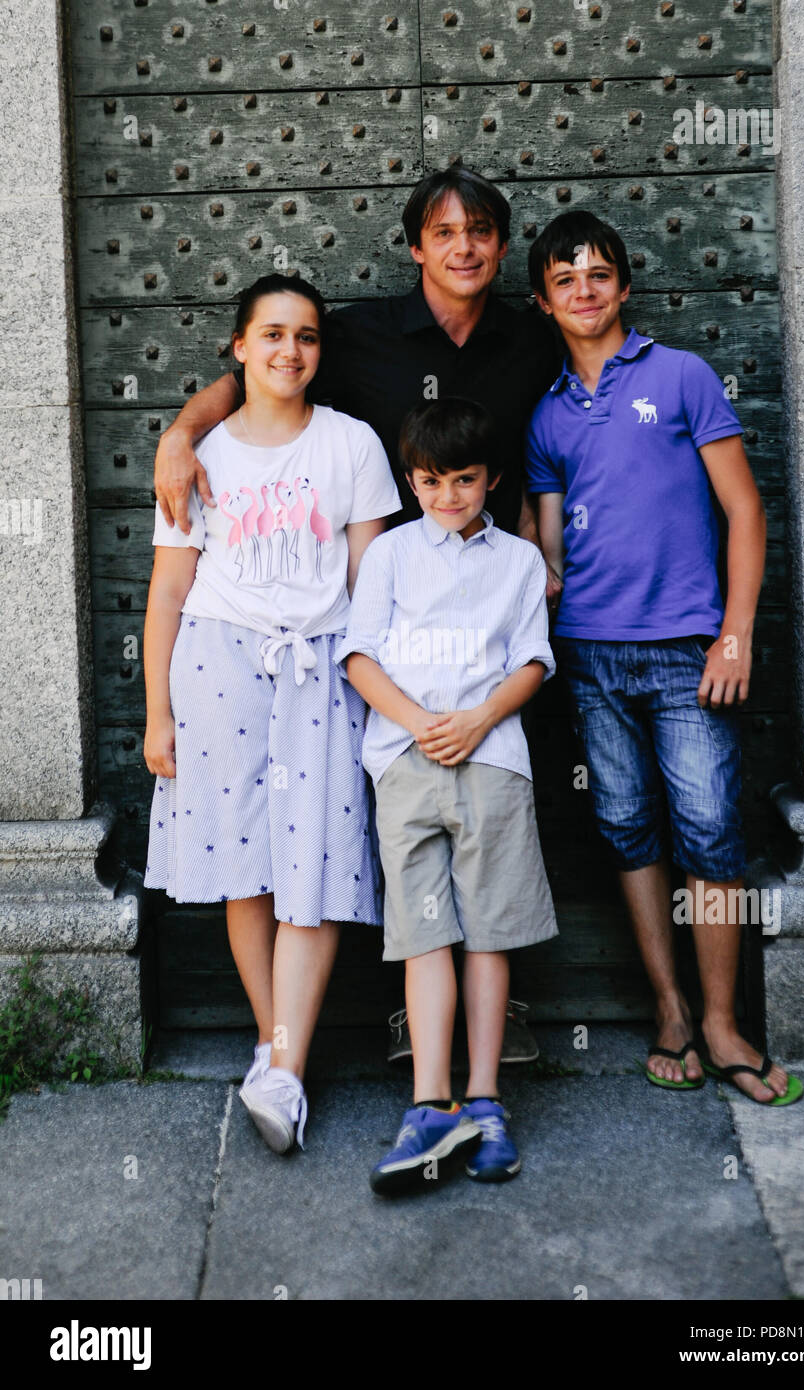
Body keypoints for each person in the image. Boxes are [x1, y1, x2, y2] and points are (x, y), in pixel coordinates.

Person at [152, 166, 561, 1064]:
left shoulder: (535, 339)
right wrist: (182, 432)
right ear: (416, 246)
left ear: (500, 246)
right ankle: (399, 1011)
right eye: (445, 233)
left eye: (482, 231)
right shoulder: (357, 334)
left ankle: (497, 1012)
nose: (464, 248)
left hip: (493, 608)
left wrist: (550, 545)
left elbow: (572, 421)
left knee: (495, 802)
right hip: (377, 628)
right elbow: (267, 367)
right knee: (385, 820)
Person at [525, 210, 803, 1107]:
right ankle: (672, 1010)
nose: (585, 291)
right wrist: (547, 581)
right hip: (591, 658)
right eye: (566, 281)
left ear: (625, 286)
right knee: (627, 829)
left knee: (712, 833)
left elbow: (746, 512)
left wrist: (735, 631)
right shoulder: (546, 415)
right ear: (543, 300)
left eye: (600, 275)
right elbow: (550, 538)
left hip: (690, 652)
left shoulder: (682, 376)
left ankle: (723, 1023)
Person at [142, 273, 402, 1155]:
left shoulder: (352, 445)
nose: (291, 350)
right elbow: (168, 593)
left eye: (308, 337)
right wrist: (157, 716)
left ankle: (283, 1069)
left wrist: (383, 694)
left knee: (316, 859)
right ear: (240, 347)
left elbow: (372, 587)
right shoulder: (199, 458)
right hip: (217, 664)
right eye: (274, 334)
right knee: (245, 862)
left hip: (322, 666)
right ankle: (275, 1047)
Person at [335, 398, 559, 1193]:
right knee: (423, 933)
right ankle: (432, 1105)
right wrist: (423, 722)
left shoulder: (519, 563)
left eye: (465, 480)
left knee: (490, 930)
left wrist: (477, 720)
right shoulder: (391, 556)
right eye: (431, 481)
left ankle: (488, 1101)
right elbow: (359, 658)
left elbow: (533, 660)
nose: (448, 496)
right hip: (404, 758)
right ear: (410, 480)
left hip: (493, 758)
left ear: (492, 480)